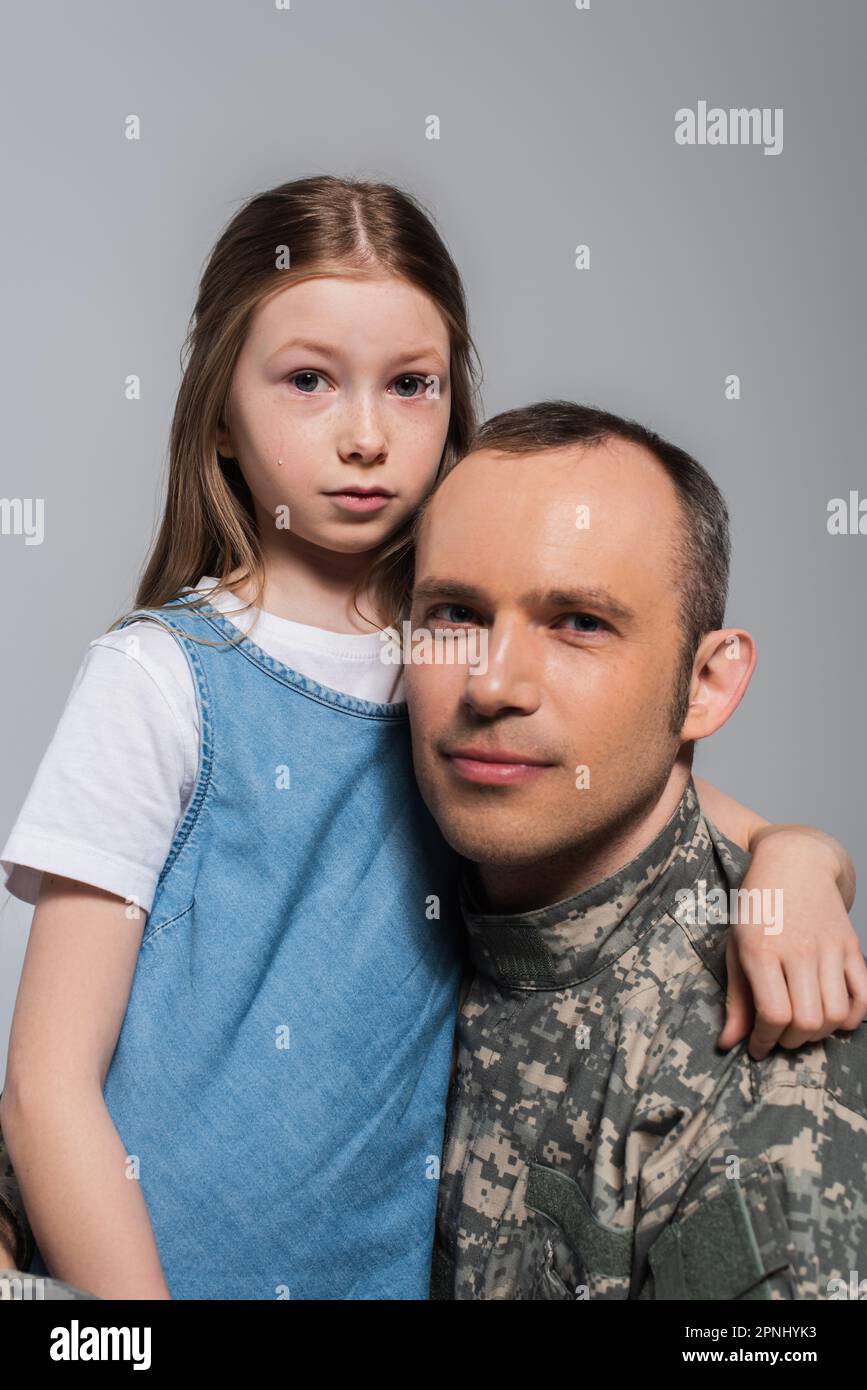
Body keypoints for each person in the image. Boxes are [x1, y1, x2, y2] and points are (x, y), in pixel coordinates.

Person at [0, 179, 862, 1300]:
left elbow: (685, 814)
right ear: (219, 411)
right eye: (309, 381)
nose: (366, 436)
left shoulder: (451, 650)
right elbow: (47, 1084)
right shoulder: (160, 679)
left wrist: (801, 861)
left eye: (411, 387)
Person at [402, 401, 867, 1300]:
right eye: (454, 612)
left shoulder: (766, 1063)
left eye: (577, 622)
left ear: (704, 683)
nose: (491, 684)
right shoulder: (366, 864)